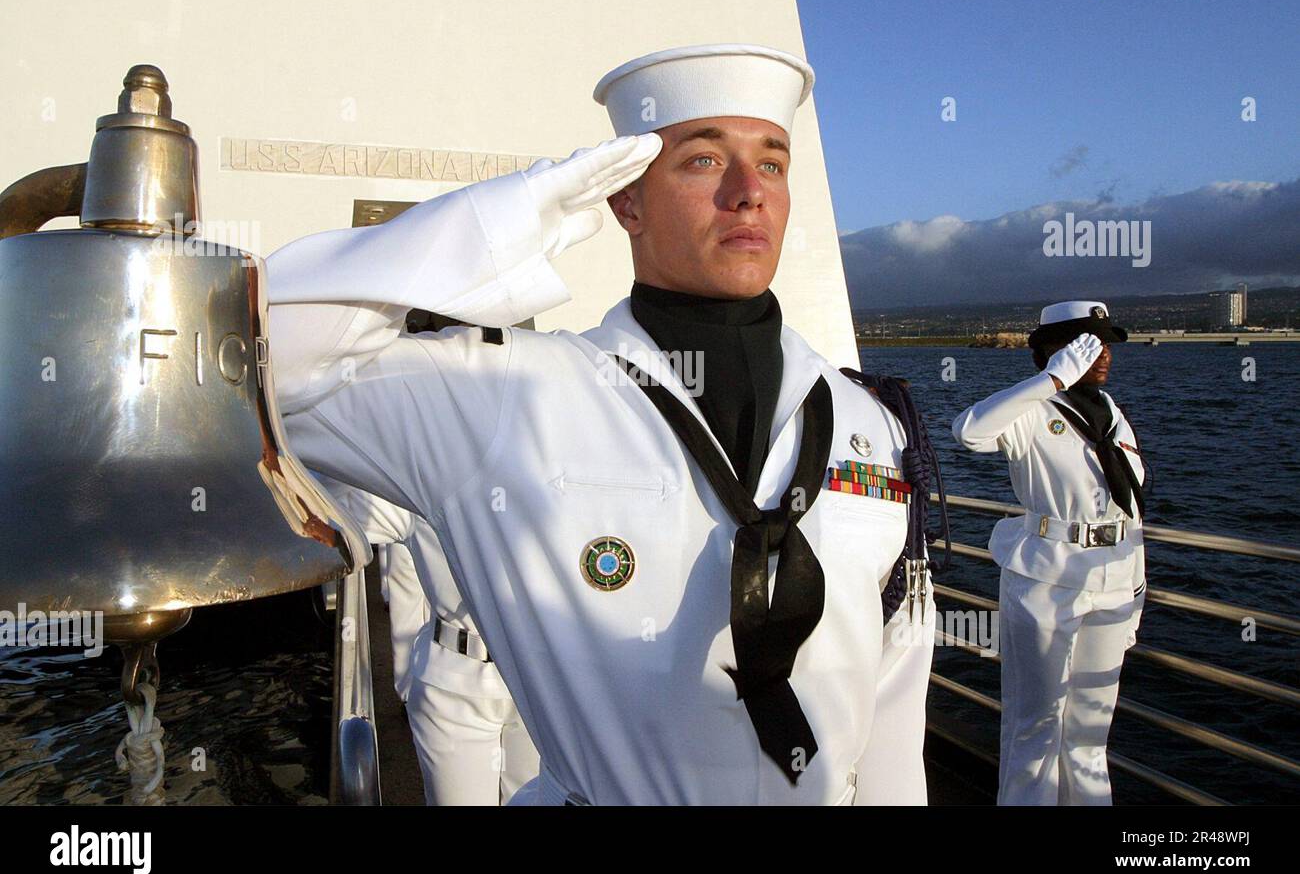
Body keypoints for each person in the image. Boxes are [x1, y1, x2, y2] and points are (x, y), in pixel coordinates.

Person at [266, 43, 936, 805]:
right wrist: (507, 222)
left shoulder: (870, 424)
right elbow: (254, 359)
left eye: (773, 164)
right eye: (704, 162)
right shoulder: (506, 396)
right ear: (626, 202)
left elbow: (893, 711)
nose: (750, 192)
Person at [952, 301, 1147, 805]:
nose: (1102, 353)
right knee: (1034, 728)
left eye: (1105, 343)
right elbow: (969, 431)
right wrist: (1053, 382)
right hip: (1045, 581)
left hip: (1112, 582)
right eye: (1087, 343)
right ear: (1054, 352)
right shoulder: (1032, 413)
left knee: (1087, 735)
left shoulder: (1113, 416)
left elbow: (1130, 512)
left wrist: (1137, 596)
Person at [320, 476, 540, 805]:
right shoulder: (423, 475)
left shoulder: (553, 470)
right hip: (456, 678)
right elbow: (333, 516)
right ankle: (404, 687)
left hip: (536, 675)